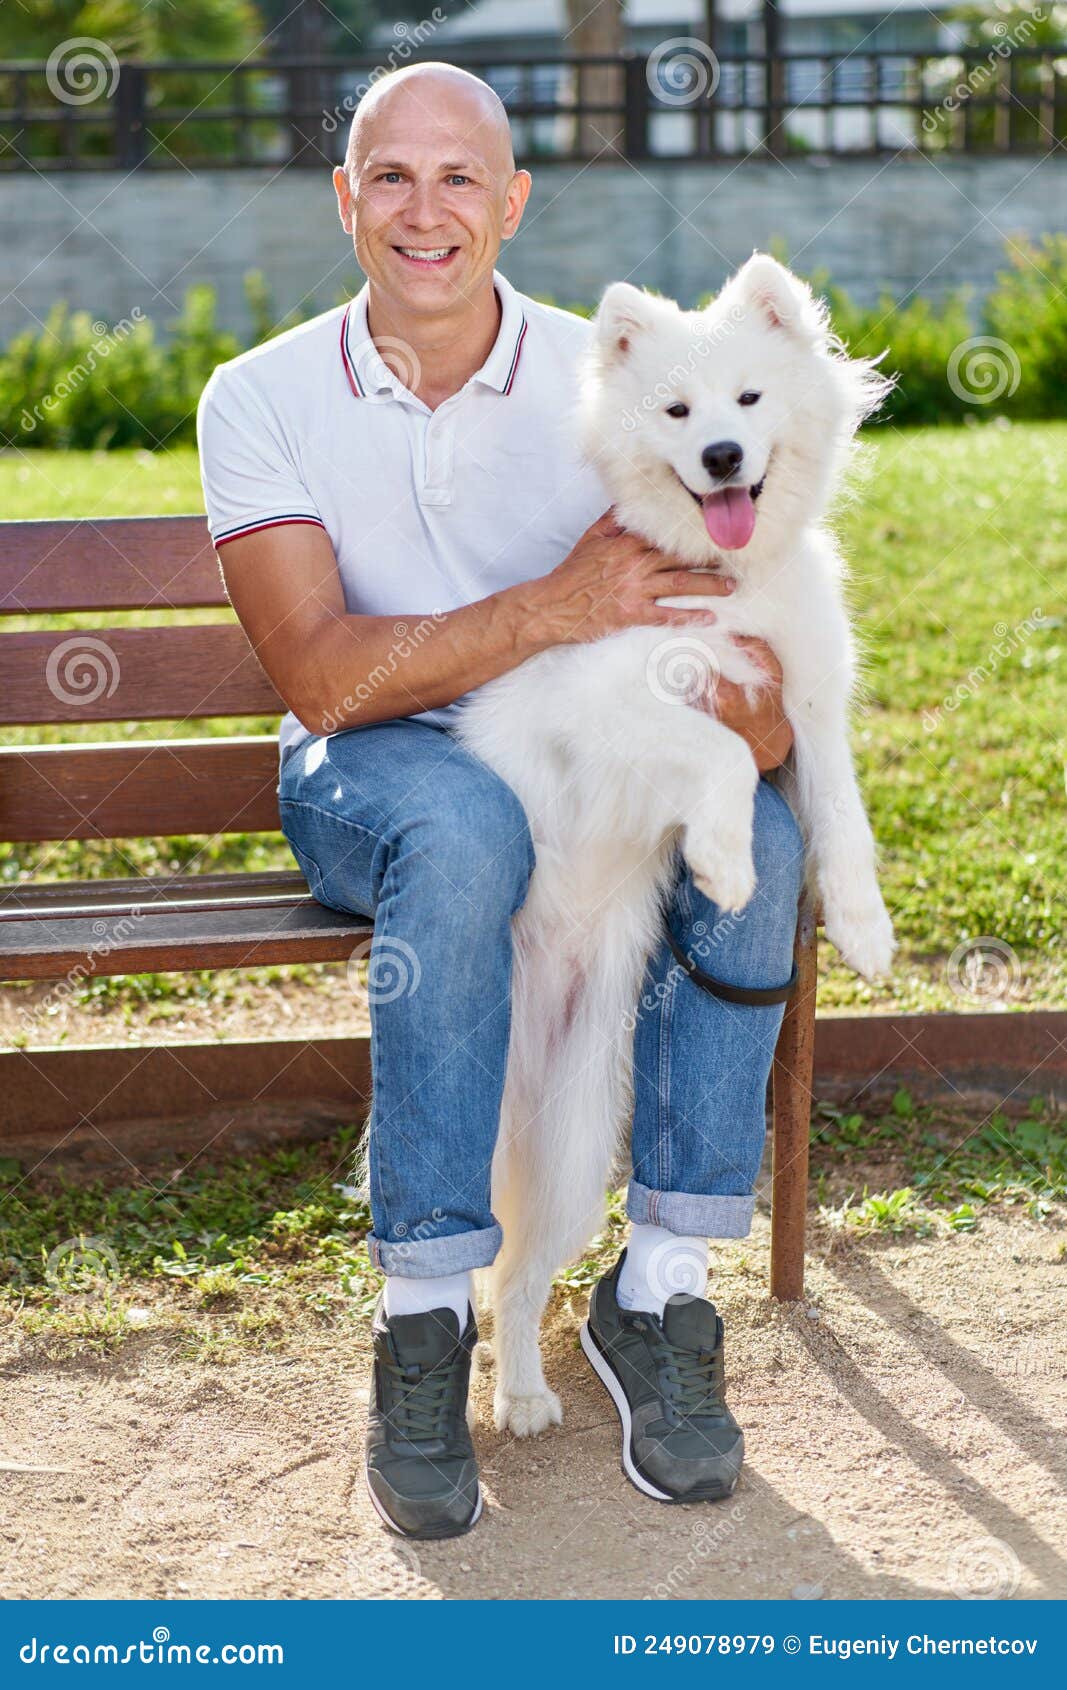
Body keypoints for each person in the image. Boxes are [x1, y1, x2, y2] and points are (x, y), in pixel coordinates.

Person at [197, 62, 803, 1541]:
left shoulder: (616, 377)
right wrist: (545, 608)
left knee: (764, 845)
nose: (427, 211)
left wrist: (754, 716)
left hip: (578, 750)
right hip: (372, 763)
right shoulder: (259, 395)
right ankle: (424, 1315)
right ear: (345, 199)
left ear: (514, 201)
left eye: (460, 176)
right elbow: (325, 679)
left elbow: (725, 628)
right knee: (467, 831)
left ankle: (658, 1291)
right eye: (391, 176)